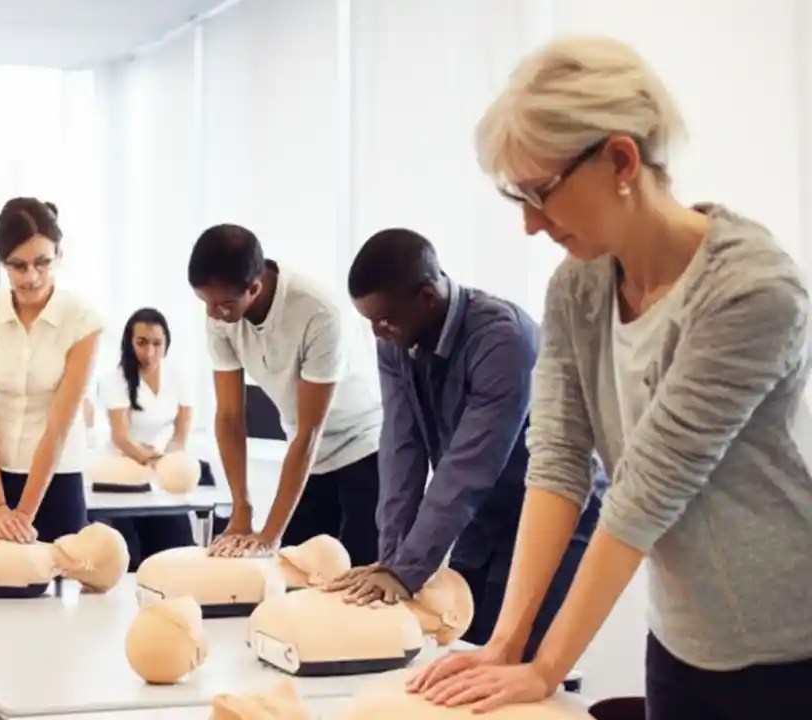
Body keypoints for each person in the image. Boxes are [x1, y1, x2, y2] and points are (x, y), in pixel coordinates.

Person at [409, 36, 812, 718]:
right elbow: (560, 459)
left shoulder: (752, 290)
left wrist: (544, 669)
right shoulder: (578, 289)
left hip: (788, 649)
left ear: (621, 159)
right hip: (681, 639)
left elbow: (647, 492)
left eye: (539, 193)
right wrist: (504, 644)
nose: (532, 224)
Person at [327, 228, 605, 662]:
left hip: (551, 512)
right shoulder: (397, 339)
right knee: (458, 647)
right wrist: (391, 562)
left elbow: (469, 465)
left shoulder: (502, 338)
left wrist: (407, 570)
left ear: (427, 297)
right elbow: (402, 448)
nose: (378, 332)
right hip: (482, 515)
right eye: (370, 321)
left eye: (384, 320)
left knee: (517, 658)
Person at [188, 224, 382, 565]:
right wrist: (241, 510)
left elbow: (311, 431)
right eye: (205, 301)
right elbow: (230, 415)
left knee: (353, 572)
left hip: (364, 449)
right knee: (293, 570)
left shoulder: (318, 312)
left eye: (222, 304)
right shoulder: (220, 314)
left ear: (255, 287)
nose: (212, 313)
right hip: (307, 453)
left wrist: (269, 536)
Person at [0, 198, 102, 543]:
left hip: (56, 478)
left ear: (59, 256)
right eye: (17, 266)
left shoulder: (83, 321)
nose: (31, 277)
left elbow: (57, 428)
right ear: (2, 263)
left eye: (42, 263)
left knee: (56, 583)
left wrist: (23, 515)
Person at [95, 307, 215, 566]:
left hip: (158, 467)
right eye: (141, 343)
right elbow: (121, 437)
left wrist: (166, 460)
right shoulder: (114, 380)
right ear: (129, 343)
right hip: (122, 471)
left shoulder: (177, 376)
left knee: (177, 547)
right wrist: (149, 458)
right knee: (131, 556)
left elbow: (181, 434)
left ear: (166, 344)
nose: (149, 352)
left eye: (157, 344)